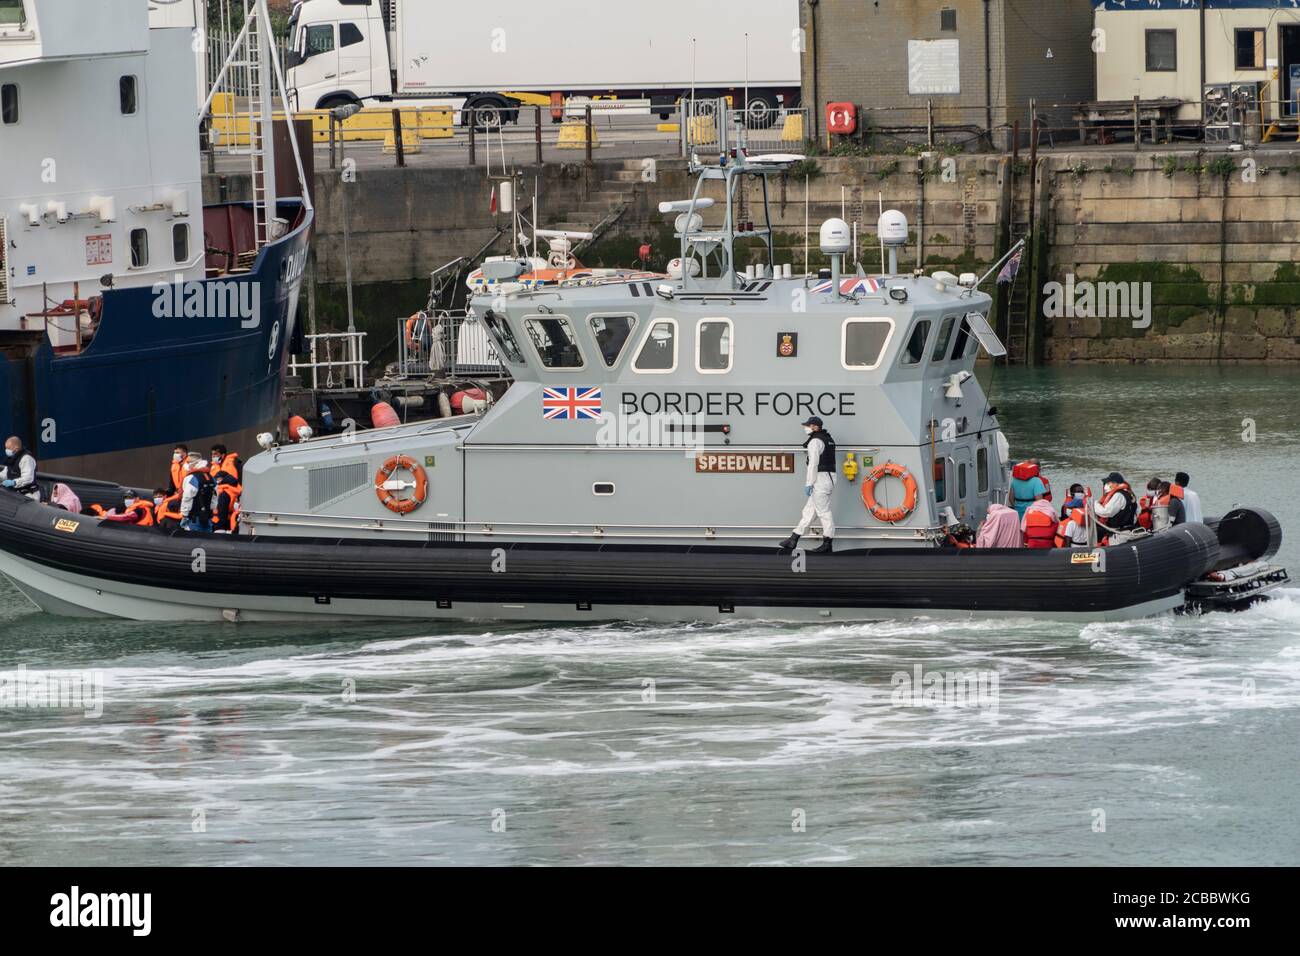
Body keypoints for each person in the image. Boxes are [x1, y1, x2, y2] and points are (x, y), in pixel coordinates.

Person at [778, 416, 837, 555]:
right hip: (828, 477)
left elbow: (813, 464)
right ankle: (794, 538)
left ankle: (828, 542)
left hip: (820, 479)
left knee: (823, 512)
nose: (805, 428)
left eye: (808, 425)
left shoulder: (815, 442)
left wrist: (809, 483)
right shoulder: (828, 439)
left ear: (815, 427)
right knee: (809, 511)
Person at [209, 444, 243, 533]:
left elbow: (240, 480)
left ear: (223, 455)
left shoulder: (234, 463)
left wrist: (240, 498)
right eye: (212, 454)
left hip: (232, 496)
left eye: (215, 454)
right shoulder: (214, 467)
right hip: (219, 498)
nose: (213, 457)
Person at [1094, 471, 1138, 540]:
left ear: (1115, 483)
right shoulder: (1128, 492)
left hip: (1120, 534)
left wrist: (1094, 504)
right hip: (1127, 529)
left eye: (1108, 483)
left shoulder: (1119, 495)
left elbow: (1106, 512)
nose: (1106, 485)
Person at [179, 454, 214, 532]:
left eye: (187, 462)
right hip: (208, 518)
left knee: (193, 542)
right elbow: (215, 497)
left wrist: (184, 515)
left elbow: (187, 497)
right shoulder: (211, 477)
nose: (185, 465)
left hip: (194, 519)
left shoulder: (191, 478)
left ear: (192, 464)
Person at [1, 436, 39, 501]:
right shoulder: (11, 459)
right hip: (16, 494)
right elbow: (5, 474)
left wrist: (14, 482)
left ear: (16, 448)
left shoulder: (26, 458)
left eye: (8, 448)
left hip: (28, 495)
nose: (6, 450)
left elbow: (28, 478)